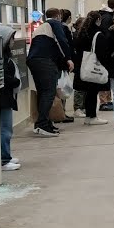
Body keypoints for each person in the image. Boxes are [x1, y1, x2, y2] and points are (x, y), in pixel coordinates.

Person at [27, 8, 72, 136]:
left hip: (34, 60)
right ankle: (43, 124)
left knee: (42, 92)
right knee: (49, 92)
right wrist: (68, 59)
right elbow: (62, 41)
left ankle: (43, 123)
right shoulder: (54, 24)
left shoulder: (42, 27)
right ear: (58, 16)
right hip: (45, 61)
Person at [73, 10, 110, 125]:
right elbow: (102, 53)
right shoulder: (97, 34)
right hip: (93, 68)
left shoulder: (81, 33)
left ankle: (88, 116)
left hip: (83, 67)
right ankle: (92, 116)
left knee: (88, 93)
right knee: (93, 92)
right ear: (98, 20)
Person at [0, 24, 22, 171]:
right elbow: (3, 76)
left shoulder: (1, 56)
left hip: (4, 96)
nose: (13, 41)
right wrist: (15, 81)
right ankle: (4, 159)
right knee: (4, 129)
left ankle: (6, 156)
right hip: (4, 97)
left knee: (5, 128)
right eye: (12, 38)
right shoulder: (0, 58)